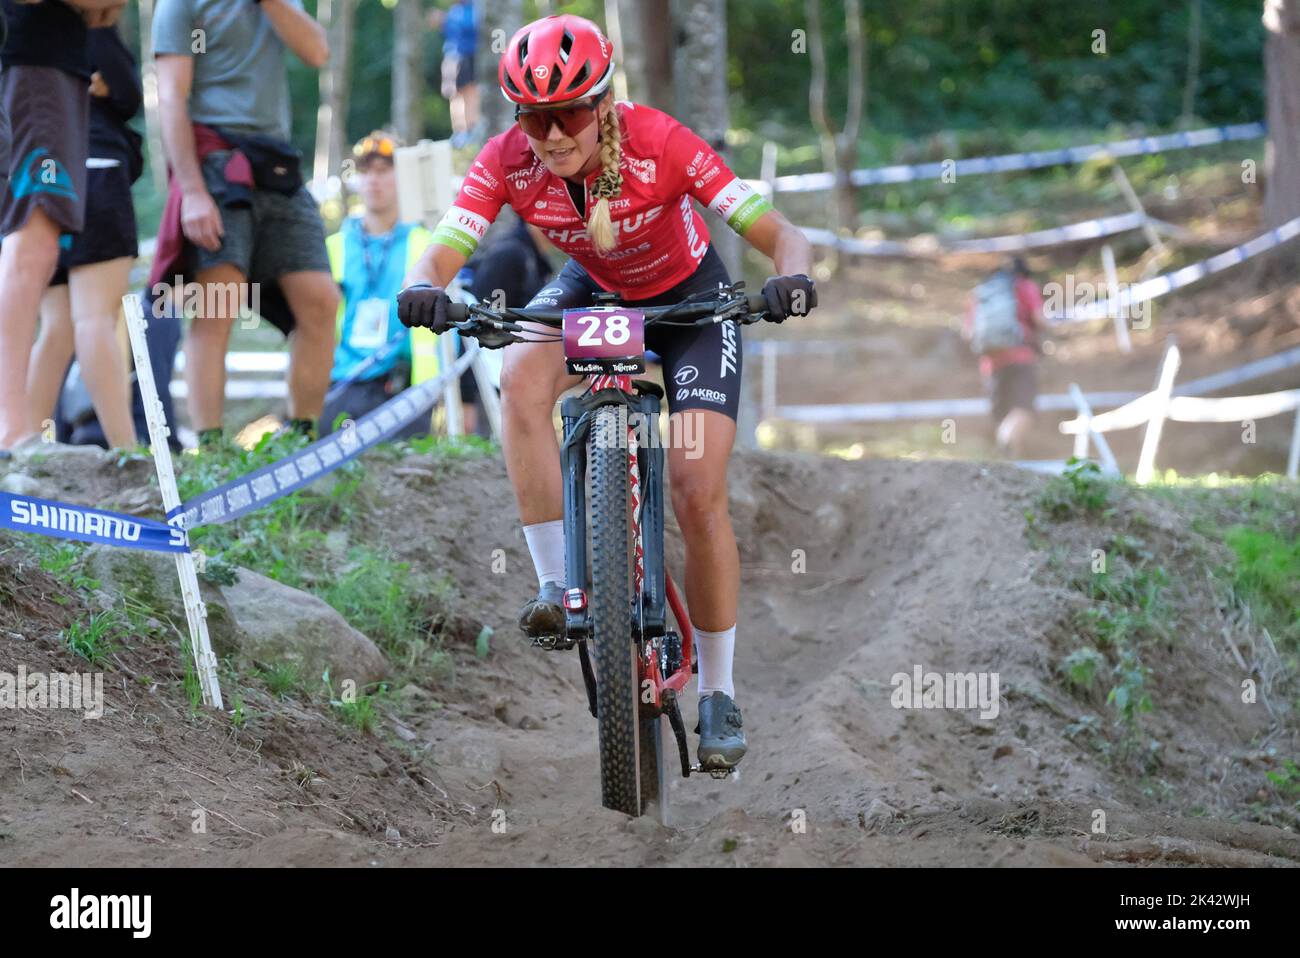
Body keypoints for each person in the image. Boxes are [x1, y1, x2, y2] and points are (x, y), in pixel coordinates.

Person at [397, 14, 817, 772]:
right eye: (533, 116)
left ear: (602, 102)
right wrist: (422, 286)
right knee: (520, 371)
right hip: (595, 294)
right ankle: (557, 581)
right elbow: (444, 244)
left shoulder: (662, 142)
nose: (552, 134)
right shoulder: (507, 159)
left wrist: (790, 275)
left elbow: (781, 233)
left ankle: (719, 692)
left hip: (690, 306)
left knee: (695, 489)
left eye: (568, 113)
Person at [151, 0, 337, 448]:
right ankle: (212, 449)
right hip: (216, 160)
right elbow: (171, 99)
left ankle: (301, 440)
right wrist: (192, 191)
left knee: (320, 302)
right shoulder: (180, 6)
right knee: (219, 302)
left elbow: (318, 52)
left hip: (275, 164)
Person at [0, 0, 128, 457]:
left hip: (50, 65)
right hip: (34, 64)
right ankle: (11, 429)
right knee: (31, 239)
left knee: (38, 241)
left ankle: (16, 427)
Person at [26, 23, 143, 451]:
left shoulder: (24, 24)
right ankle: (126, 451)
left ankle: (23, 448)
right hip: (97, 170)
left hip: (42, 177)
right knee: (94, 319)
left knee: (56, 327)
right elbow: (129, 94)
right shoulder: (91, 19)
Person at [321, 131, 438, 436]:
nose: (373, 180)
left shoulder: (425, 244)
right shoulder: (333, 246)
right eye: (365, 171)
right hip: (341, 385)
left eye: (384, 171)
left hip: (405, 390)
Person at [963, 257, 1050, 458]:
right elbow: (1040, 320)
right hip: (1021, 358)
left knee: (1003, 414)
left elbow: (968, 333)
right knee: (1024, 410)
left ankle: (1011, 463)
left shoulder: (980, 293)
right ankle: (1005, 443)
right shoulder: (1025, 287)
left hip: (991, 364)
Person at [430, 0, 480, 148]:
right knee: (454, 94)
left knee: (469, 91)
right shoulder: (455, 9)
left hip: (467, 56)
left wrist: (446, 20)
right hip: (453, 57)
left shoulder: (472, 7)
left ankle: (471, 130)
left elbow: (473, 26)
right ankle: (459, 131)